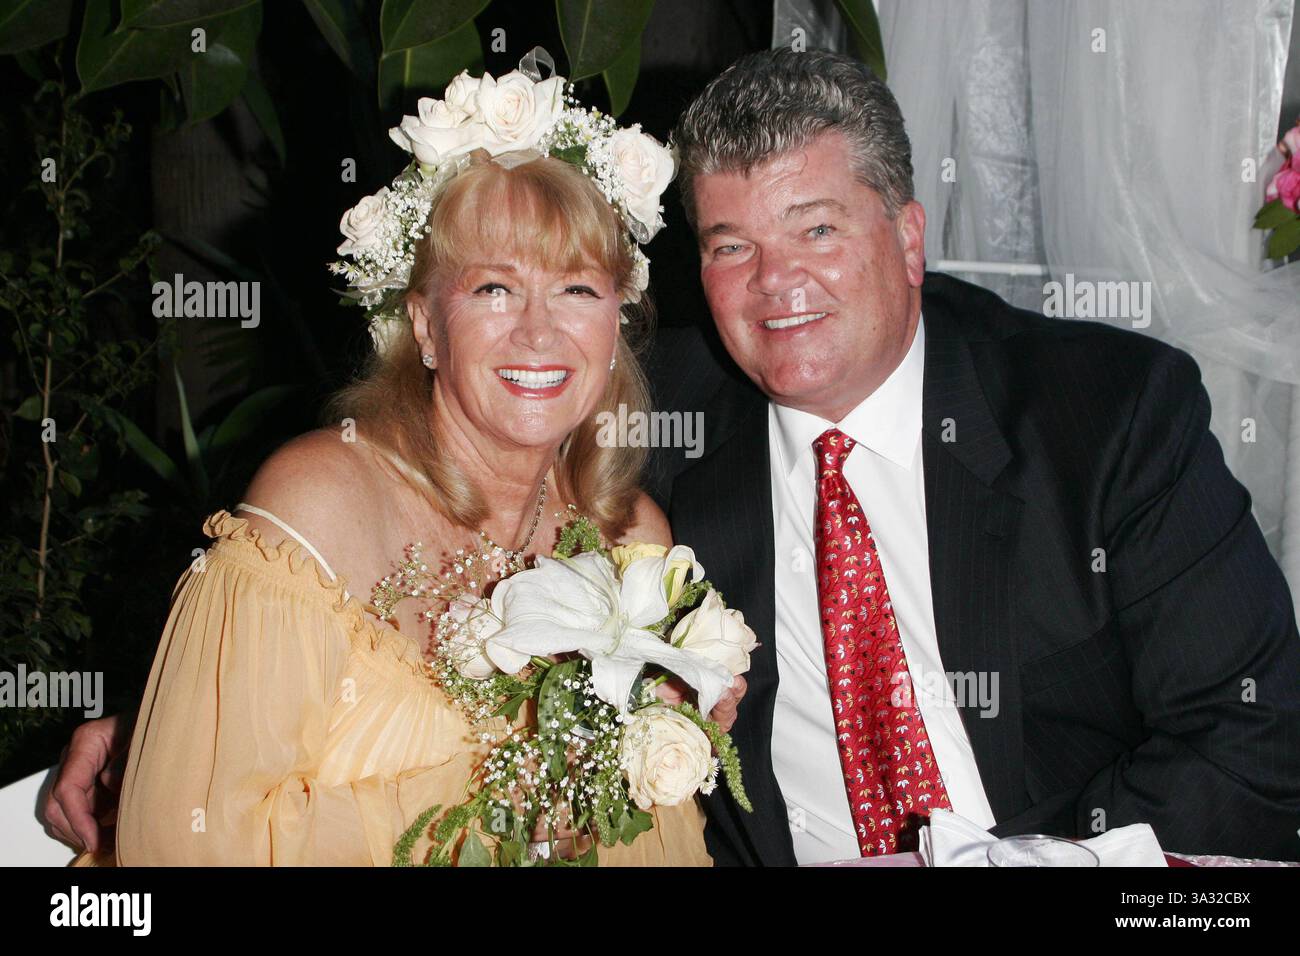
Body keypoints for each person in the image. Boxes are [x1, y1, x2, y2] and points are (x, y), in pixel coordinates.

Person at [46, 64, 743, 865]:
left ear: (617, 321)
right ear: (424, 325)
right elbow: (194, 840)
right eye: (493, 288)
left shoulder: (632, 542)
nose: (538, 331)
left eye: (577, 290)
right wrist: (520, 802)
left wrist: (671, 727)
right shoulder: (320, 504)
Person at [642, 47, 1300, 865]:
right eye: (732, 247)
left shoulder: (1106, 417)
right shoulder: (654, 421)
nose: (776, 280)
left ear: (909, 239)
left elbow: (1255, 739)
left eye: (817, 229)